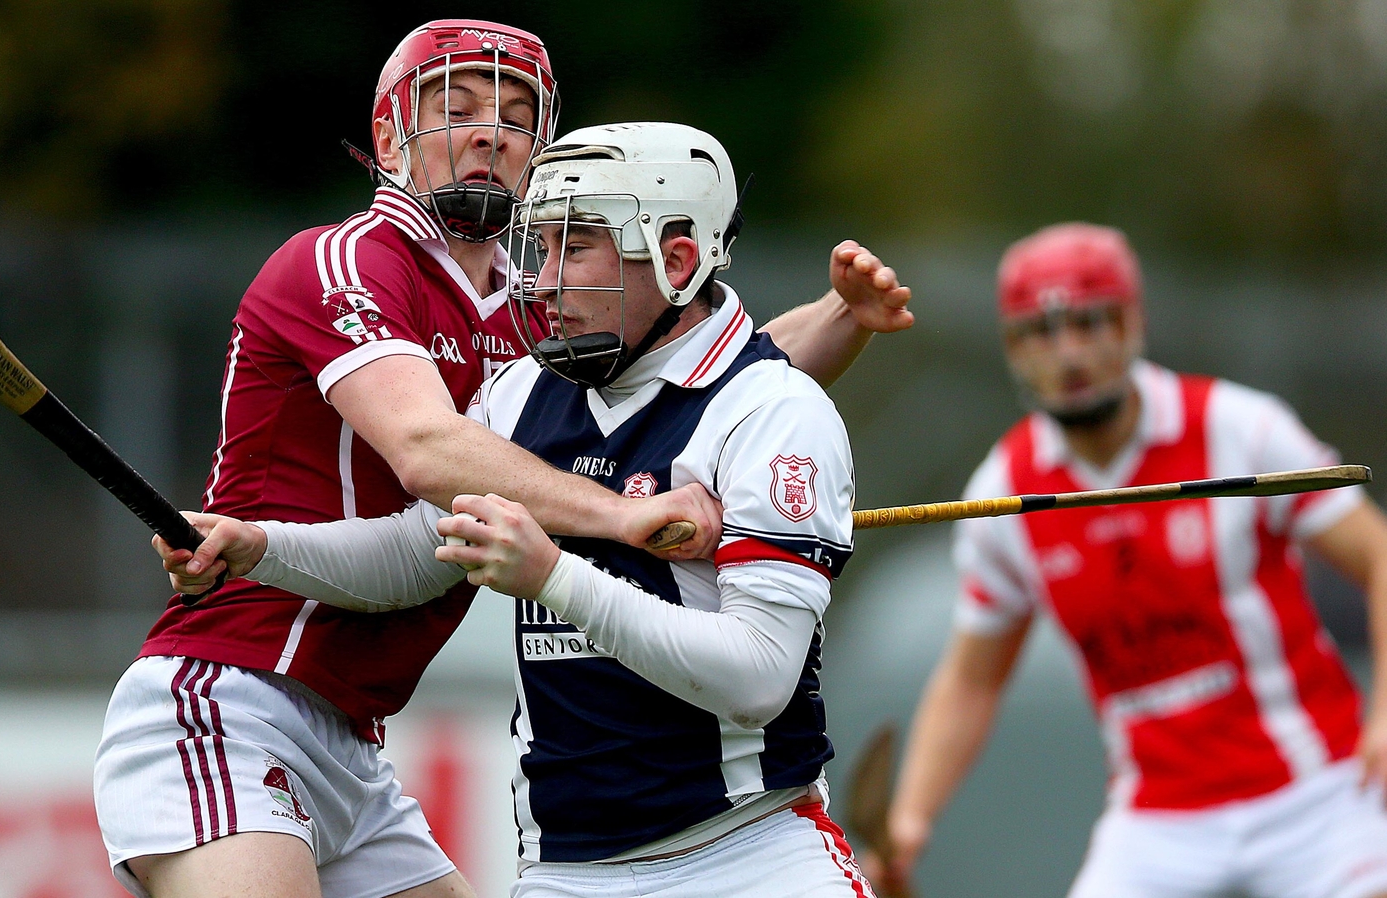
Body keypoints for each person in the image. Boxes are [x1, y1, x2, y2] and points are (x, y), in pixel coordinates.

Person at [95, 19, 913, 898]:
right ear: (388, 137)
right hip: (233, 697)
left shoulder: (532, 328)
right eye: (455, 106)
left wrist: (837, 321)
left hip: (354, 742)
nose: (489, 129)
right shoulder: (346, 261)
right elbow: (427, 451)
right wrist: (622, 514)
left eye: (515, 114)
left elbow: (695, 381)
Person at [864, 223, 1387, 898]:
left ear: (1132, 322)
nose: (1069, 352)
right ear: (1012, 351)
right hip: (1159, 819)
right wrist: (911, 817)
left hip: (1313, 791)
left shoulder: (1238, 426)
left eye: (1089, 322)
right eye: (1040, 332)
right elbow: (972, 681)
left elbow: (1377, 557)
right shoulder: (1002, 495)